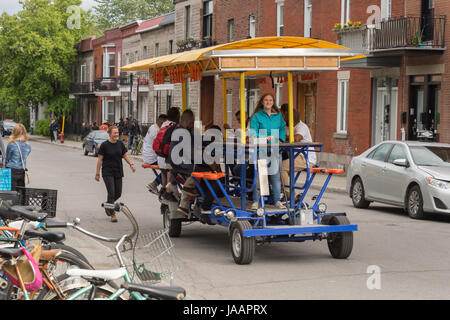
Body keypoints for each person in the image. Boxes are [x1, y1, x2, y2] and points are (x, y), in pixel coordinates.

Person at [249, 93, 286, 210]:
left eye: (270, 100)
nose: (268, 102)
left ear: (273, 102)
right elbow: (253, 132)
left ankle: (277, 201)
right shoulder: (256, 116)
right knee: (261, 177)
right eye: (266, 100)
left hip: (275, 149)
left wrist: (280, 139)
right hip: (262, 149)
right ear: (262, 102)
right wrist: (264, 138)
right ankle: (256, 201)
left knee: (275, 176)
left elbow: (282, 129)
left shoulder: (278, 116)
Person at [95, 125, 136, 222]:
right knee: (111, 193)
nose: (116, 134)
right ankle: (112, 214)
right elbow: (100, 160)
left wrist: (131, 164)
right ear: (109, 133)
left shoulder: (120, 144)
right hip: (107, 171)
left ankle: (108, 205)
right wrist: (97, 173)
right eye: (114, 133)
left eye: (117, 133)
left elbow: (125, 155)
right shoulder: (104, 145)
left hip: (118, 171)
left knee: (118, 193)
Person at [280, 104, 317, 198]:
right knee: (273, 167)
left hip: (305, 158)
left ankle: (291, 195)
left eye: (283, 116)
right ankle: (281, 192)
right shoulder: (287, 127)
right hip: (294, 156)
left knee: (281, 167)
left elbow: (297, 138)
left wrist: (281, 137)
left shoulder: (301, 127)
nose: (282, 118)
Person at [155, 107, 180, 200]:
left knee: (164, 170)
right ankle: (169, 191)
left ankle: (163, 187)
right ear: (177, 116)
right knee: (175, 169)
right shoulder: (176, 127)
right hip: (167, 159)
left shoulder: (164, 124)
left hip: (160, 157)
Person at [143, 114, 168, 194]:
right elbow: (162, 147)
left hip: (148, 154)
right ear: (161, 122)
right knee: (169, 168)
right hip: (152, 157)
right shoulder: (157, 131)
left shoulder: (153, 127)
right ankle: (156, 185)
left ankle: (158, 185)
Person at [5, 124, 31, 191]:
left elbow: (7, 159)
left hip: (12, 171)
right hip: (22, 171)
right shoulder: (28, 145)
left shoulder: (11, 144)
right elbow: (25, 156)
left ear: (14, 132)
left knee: (11, 193)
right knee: (20, 192)